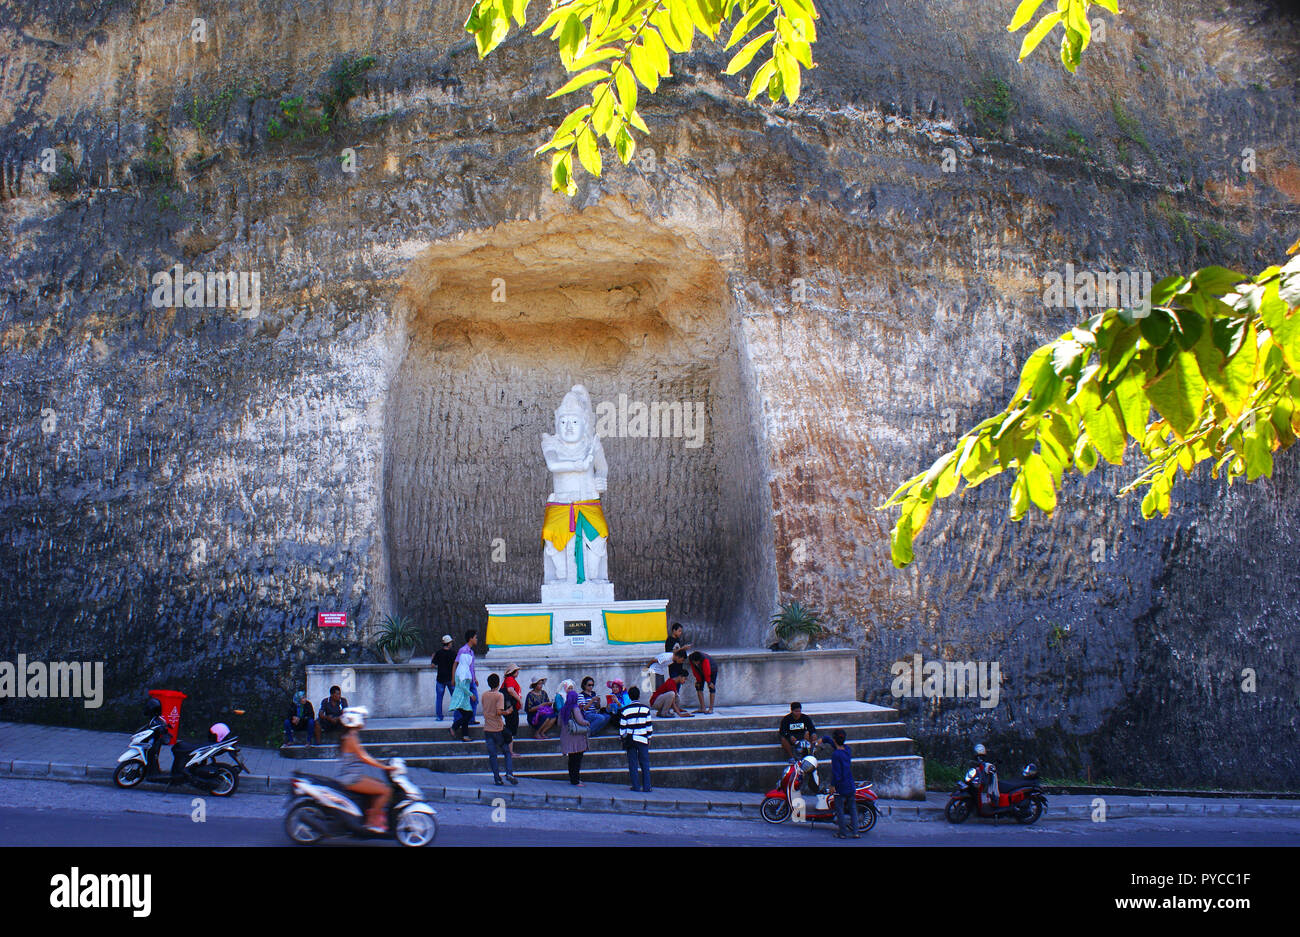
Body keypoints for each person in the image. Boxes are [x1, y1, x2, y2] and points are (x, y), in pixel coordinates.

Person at [337, 706, 397, 833]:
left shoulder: (350, 734)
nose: (364, 721)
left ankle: (372, 815)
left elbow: (364, 755)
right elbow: (364, 757)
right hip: (352, 778)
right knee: (386, 791)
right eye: (362, 718)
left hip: (351, 775)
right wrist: (384, 766)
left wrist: (382, 762)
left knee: (380, 784)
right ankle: (372, 822)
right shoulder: (351, 738)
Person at [481, 674, 519, 786]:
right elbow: (499, 711)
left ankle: (497, 778)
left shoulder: (484, 695)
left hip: (487, 728)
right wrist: (507, 712)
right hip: (498, 728)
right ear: (498, 683)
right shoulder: (499, 695)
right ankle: (509, 773)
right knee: (506, 751)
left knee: (493, 755)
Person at [824, 730, 860, 839]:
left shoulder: (835, 755)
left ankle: (842, 833)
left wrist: (832, 785)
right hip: (850, 784)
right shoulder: (847, 750)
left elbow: (836, 773)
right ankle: (855, 832)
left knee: (839, 809)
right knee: (853, 808)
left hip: (840, 786)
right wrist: (826, 740)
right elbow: (837, 744)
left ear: (834, 740)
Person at [618, 686, 654, 793]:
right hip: (643, 739)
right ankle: (647, 786)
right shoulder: (645, 709)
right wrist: (649, 738)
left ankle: (636, 786)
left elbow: (622, 729)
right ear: (639, 695)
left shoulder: (625, 710)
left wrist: (623, 738)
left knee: (633, 764)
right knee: (645, 763)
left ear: (629, 696)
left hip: (631, 740)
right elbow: (649, 726)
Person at [450, 629, 479, 740]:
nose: (476, 639)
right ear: (471, 638)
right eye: (475, 637)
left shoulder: (471, 652)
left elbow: (471, 667)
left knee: (473, 702)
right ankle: (457, 724)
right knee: (464, 705)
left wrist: (474, 678)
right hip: (464, 682)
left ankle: (469, 721)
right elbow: (455, 664)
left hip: (470, 680)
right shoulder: (463, 651)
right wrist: (453, 678)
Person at [558, 688, 589, 786]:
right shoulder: (575, 708)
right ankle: (576, 780)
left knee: (571, 760)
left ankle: (572, 778)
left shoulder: (563, 709)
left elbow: (559, 723)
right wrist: (587, 722)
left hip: (566, 737)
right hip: (576, 737)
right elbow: (580, 721)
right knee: (577, 760)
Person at [432, 634, 457, 721]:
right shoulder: (453, 653)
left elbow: (432, 665)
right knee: (455, 698)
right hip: (450, 679)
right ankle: (456, 716)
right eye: (451, 642)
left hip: (440, 679)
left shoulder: (438, 653)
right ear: (448, 643)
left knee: (439, 698)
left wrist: (433, 658)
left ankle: (439, 716)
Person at [660, 622, 693, 687]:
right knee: (674, 684)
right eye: (679, 631)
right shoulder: (669, 640)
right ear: (674, 630)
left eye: (681, 631)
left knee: (678, 685)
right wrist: (682, 649)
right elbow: (670, 652)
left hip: (679, 666)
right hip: (673, 666)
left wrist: (684, 649)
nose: (680, 633)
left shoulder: (678, 640)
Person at [501, 664, 524, 753]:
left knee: (511, 727)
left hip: (511, 707)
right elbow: (510, 690)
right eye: (516, 671)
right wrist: (520, 700)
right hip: (511, 707)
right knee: (511, 728)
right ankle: (510, 751)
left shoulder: (509, 679)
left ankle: (509, 750)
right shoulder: (510, 679)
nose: (518, 672)